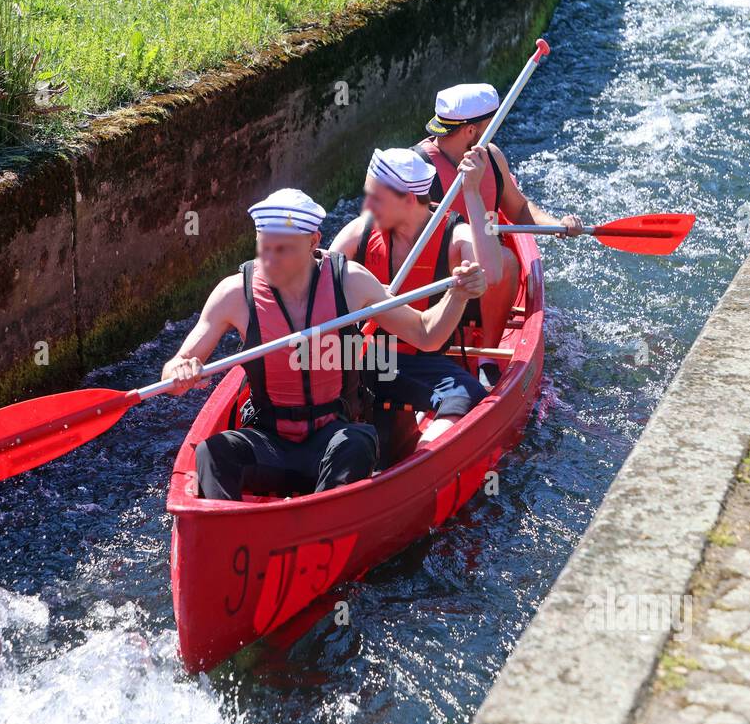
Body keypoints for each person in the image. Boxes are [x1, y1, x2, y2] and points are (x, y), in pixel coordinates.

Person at [162, 188, 487, 501]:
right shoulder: (233, 294)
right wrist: (180, 371)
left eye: (284, 250)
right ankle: (223, 538)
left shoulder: (350, 282)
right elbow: (177, 371)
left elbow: (426, 335)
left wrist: (457, 296)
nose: (271, 261)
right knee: (213, 452)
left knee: (358, 442)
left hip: (332, 441)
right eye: (265, 248)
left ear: (314, 242)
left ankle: (324, 525)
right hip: (268, 442)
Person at [329, 148, 498, 448]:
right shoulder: (358, 234)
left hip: (422, 361)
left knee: (465, 394)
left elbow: (493, 271)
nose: (367, 206)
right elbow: (317, 287)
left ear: (408, 199)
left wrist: (472, 191)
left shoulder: (454, 235)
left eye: (376, 198)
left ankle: (425, 455)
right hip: (364, 358)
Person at [414, 83, 585, 364]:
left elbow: (518, 208)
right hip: (430, 281)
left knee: (503, 260)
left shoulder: (491, 157)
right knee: (498, 259)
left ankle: (487, 357)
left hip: (485, 277)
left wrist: (557, 225)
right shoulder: (417, 169)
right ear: (471, 131)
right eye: (491, 124)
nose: (495, 129)